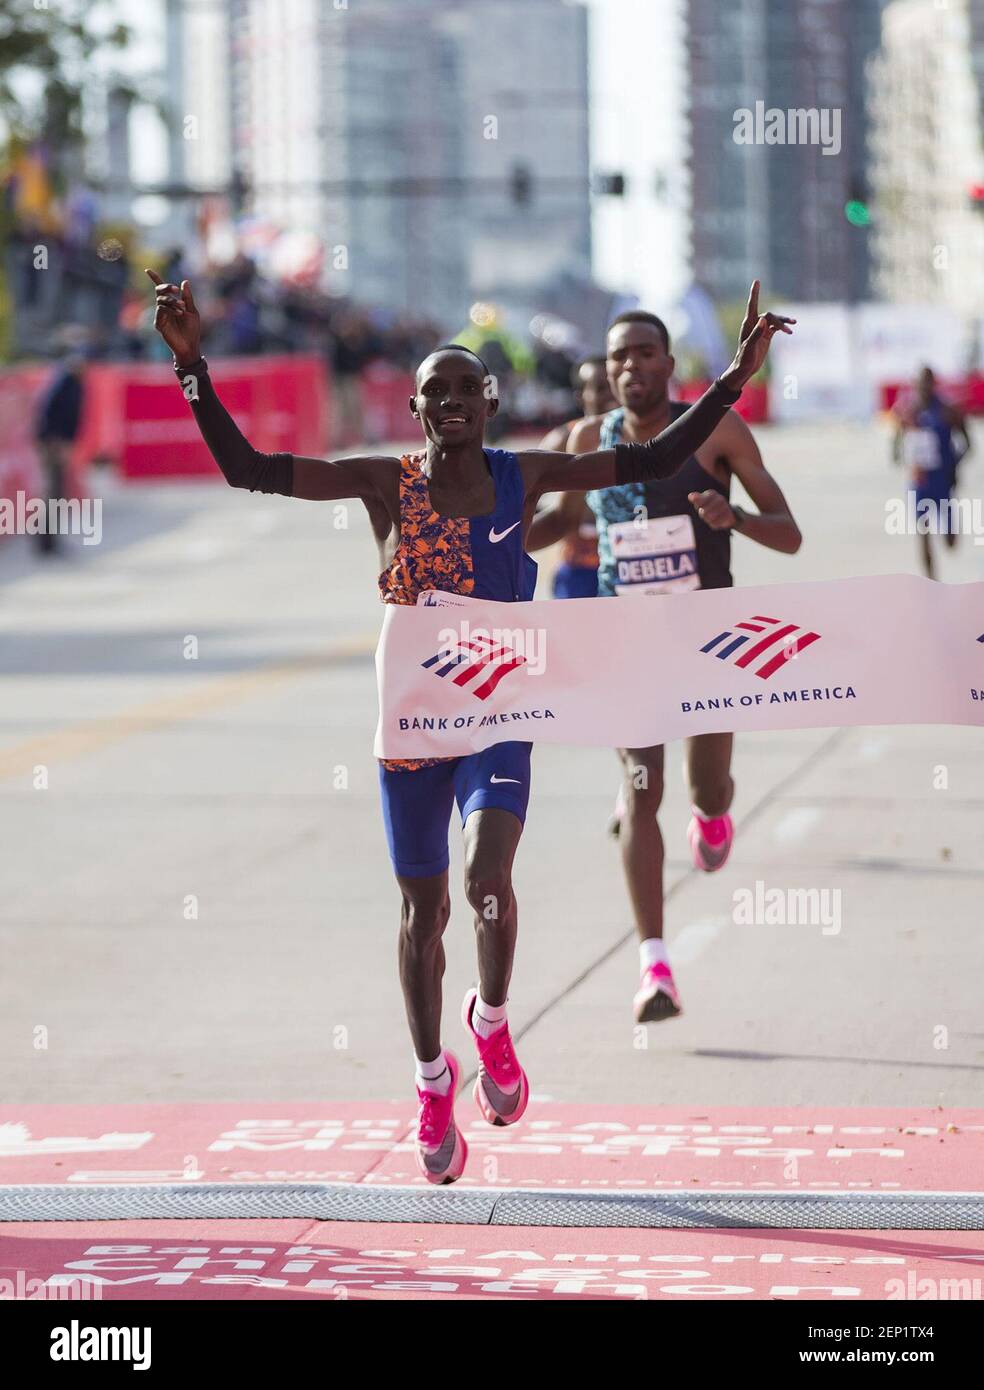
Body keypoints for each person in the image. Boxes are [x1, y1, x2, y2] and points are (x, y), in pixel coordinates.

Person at [146, 268, 792, 1182]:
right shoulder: (384, 483)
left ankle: (491, 1023)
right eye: (434, 390)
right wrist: (192, 368)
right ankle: (428, 1079)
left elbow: (646, 461)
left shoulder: (520, 475)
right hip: (412, 725)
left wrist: (730, 379)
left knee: (488, 876)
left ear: (489, 402)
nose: (450, 400)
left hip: (498, 714)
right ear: (415, 408)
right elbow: (250, 470)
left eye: (465, 387)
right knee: (423, 912)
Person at [528, 297, 802, 1024]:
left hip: (708, 645)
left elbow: (790, 534)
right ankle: (655, 965)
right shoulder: (590, 437)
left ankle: (713, 818)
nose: (630, 367)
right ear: (607, 369)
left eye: (644, 354)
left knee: (707, 790)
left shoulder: (717, 430)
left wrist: (733, 516)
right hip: (631, 649)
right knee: (639, 791)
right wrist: (482, 544)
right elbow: (558, 519)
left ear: (667, 364)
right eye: (618, 356)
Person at [539, 356, 616, 598]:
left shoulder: (639, 436)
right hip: (579, 570)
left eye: (614, 384)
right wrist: (569, 518)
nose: (612, 395)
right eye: (600, 387)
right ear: (581, 395)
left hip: (631, 567)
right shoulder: (561, 440)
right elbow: (526, 499)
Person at [892, 366, 972, 579]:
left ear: (934, 384)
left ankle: (950, 534)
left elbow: (968, 445)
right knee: (923, 531)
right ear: (914, 384)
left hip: (942, 482)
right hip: (920, 483)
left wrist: (954, 467)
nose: (924, 388)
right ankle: (932, 583)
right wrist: (904, 457)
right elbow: (897, 444)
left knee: (950, 542)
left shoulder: (949, 411)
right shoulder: (908, 411)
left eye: (928, 383)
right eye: (919, 383)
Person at [33, 351, 85, 554]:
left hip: (59, 443)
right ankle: (45, 542)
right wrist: (55, 441)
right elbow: (47, 412)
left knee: (57, 493)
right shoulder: (63, 382)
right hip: (53, 444)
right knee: (52, 493)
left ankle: (51, 540)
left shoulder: (74, 383)